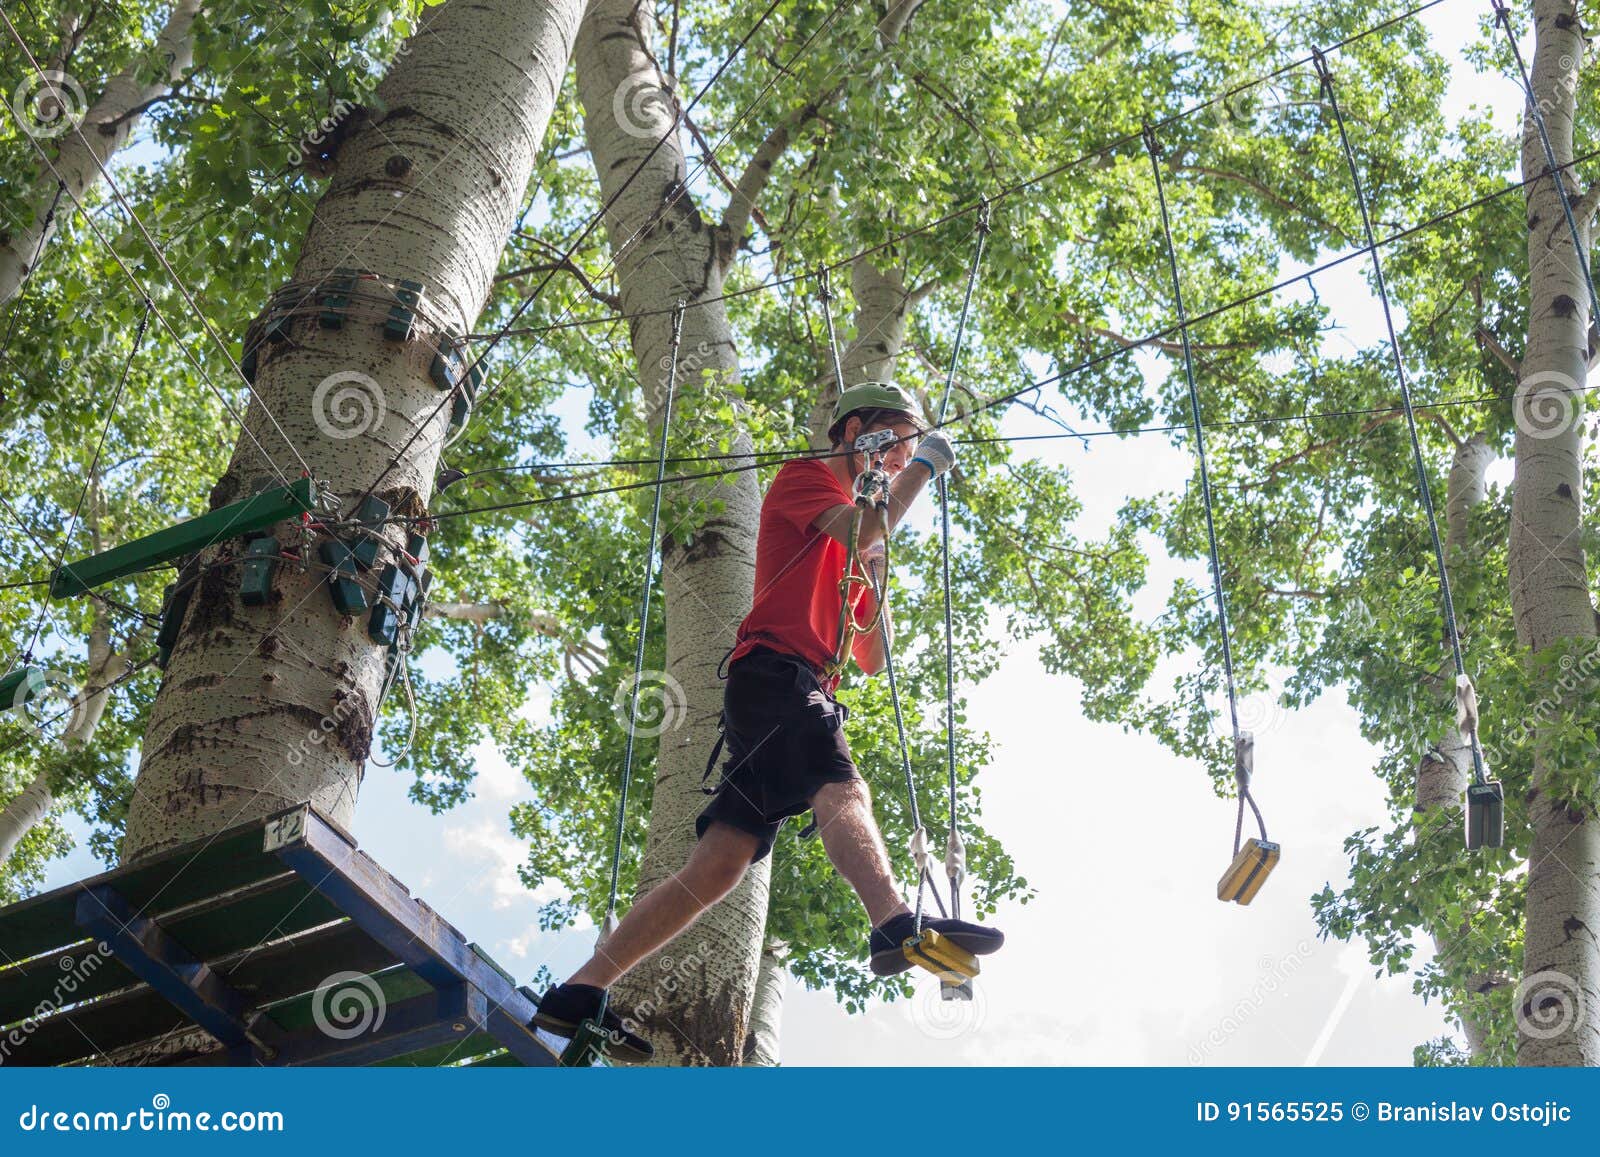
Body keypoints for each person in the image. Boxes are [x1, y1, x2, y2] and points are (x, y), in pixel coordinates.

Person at [533, 381, 1003, 1061]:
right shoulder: (806, 478)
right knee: (842, 788)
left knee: (719, 864)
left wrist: (875, 572)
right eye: (895, 442)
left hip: (783, 688)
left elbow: (869, 654)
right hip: (778, 674)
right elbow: (867, 523)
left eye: (908, 450)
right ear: (854, 434)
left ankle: (579, 988)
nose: (901, 460)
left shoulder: (861, 528)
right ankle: (892, 920)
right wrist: (925, 470)